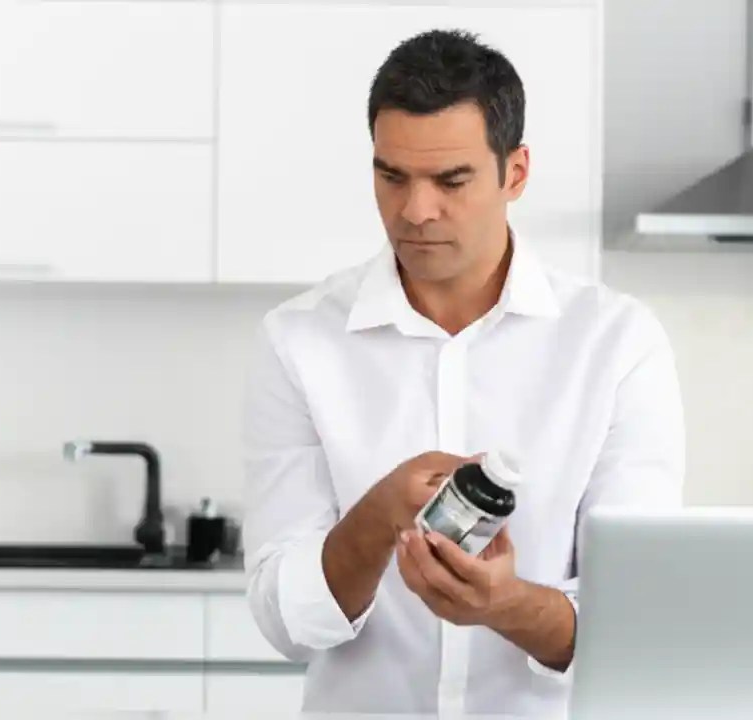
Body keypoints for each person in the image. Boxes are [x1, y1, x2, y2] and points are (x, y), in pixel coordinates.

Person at [243, 28, 684, 716]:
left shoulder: (616, 344)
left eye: (451, 181)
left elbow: (637, 623)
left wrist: (509, 606)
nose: (415, 211)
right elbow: (285, 624)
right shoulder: (299, 342)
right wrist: (378, 517)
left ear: (516, 173)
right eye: (392, 176)